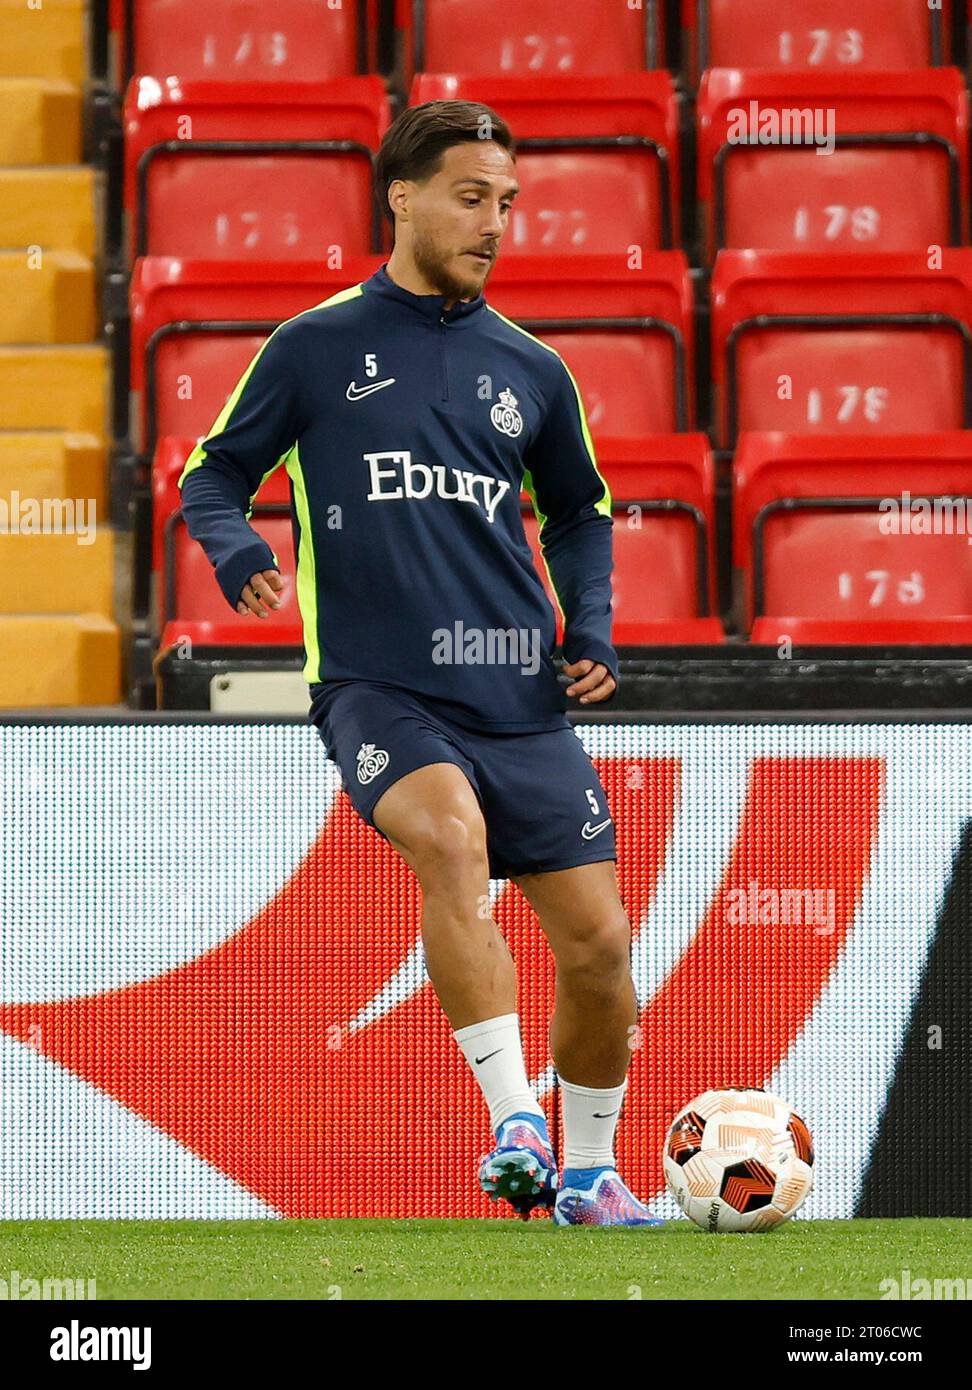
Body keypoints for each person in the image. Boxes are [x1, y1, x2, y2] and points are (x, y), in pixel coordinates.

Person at [178, 100, 662, 1226]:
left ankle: (588, 1173)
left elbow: (582, 513)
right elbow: (212, 474)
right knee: (450, 839)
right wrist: (240, 546)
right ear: (401, 194)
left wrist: (588, 626)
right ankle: (516, 1127)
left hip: (519, 690)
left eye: (507, 203)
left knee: (599, 945)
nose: (494, 222)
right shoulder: (314, 347)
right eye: (470, 196)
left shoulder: (533, 370)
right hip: (377, 681)